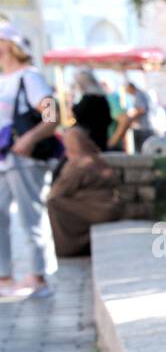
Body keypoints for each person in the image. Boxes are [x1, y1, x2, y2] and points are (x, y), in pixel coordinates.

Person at [0, 22, 58, 299]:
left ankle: (38, 275)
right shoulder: (3, 80)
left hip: (24, 158)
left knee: (30, 215)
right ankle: (4, 276)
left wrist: (29, 139)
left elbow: (51, 115)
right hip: (3, 158)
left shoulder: (30, 77)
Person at [46, 127, 122, 258]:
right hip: (111, 206)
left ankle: (69, 248)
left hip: (97, 211)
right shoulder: (96, 158)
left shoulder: (78, 165)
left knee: (54, 203)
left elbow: (56, 194)